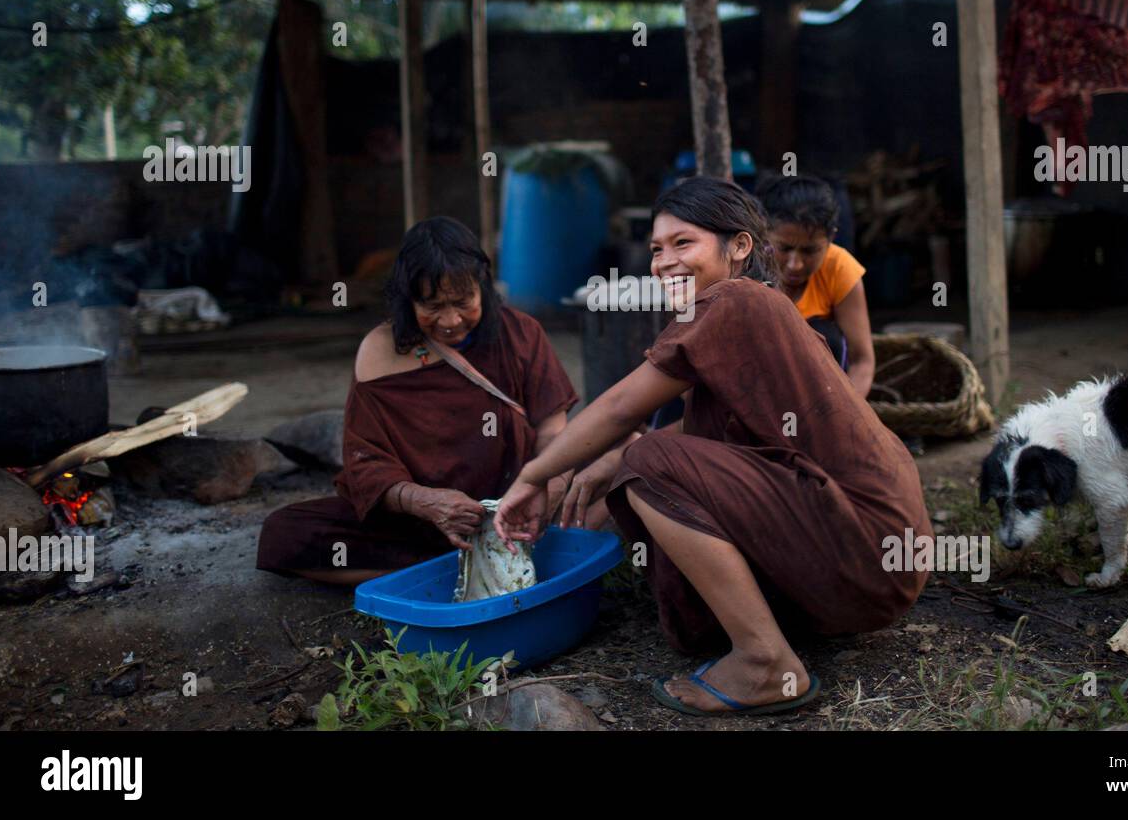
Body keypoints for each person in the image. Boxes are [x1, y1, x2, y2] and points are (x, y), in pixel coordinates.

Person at [495, 178, 930, 716]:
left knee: (648, 465)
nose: (664, 262)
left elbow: (620, 408)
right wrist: (604, 459)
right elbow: (717, 430)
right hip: (879, 562)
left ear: (741, 246)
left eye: (684, 243)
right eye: (656, 248)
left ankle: (767, 661)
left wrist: (532, 477)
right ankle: (762, 628)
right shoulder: (767, 312)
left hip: (864, 549)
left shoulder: (735, 299)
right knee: (640, 457)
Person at [256, 217, 577, 584]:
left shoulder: (520, 334)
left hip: (514, 508)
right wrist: (424, 502)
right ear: (407, 299)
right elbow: (366, 462)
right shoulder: (381, 352)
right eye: (432, 306)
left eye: (463, 301)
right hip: (422, 523)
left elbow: (552, 429)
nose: (451, 320)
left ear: (482, 287)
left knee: (612, 457)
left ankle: (469, 564)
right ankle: (460, 568)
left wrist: (541, 488)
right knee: (284, 532)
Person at [756, 173, 876, 398]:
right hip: (757, 390)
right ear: (764, 234)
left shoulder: (840, 268)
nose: (795, 264)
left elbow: (862, 361)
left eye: (810, 251)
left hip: (819, 395)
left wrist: (843, 414)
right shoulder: (744, 269)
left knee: (824, 335)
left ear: (831, 239)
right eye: (784, 248)